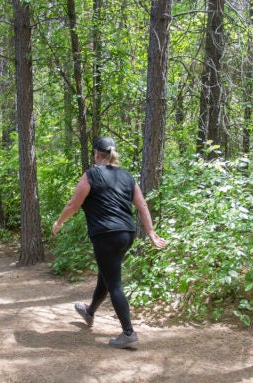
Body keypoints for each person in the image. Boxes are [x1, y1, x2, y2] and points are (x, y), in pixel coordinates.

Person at [52, 136, 167, 347]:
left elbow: (73, 205)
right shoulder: (127, 176)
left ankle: (128, 333)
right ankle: (89, 312)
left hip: (106, 235)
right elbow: (142, 205)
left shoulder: (91, 175)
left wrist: (59, 222)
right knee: (106, 276)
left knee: (114, 282)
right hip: (126, 234)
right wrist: (150, 232)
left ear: (96, 153)